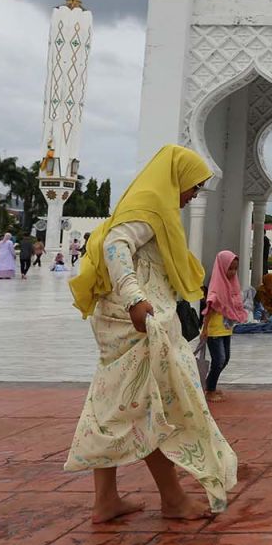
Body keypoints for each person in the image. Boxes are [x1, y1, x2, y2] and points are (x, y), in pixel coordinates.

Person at [65, 144, 236, 522]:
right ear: (177, 179)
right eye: (193, 186)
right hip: (137, 325)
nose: (194, 195)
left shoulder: (151, 207)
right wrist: (134, 298)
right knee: (153, 408)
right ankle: (173, 498)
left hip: (126, 325)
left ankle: (105, 500)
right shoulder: (147, 209)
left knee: (111, 407)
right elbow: (115, 245)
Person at [202, 251, 249, 402]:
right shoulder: (216, 287)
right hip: (214, 330)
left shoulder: (231, 285)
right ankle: (210, 390)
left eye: (235, 269)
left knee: (226, 358)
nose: (233, 272)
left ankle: (210, 385)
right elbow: (209, 309)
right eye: (230, 269)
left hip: (226, 330)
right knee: (219, 359)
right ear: (222, 268)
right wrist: (205, 329)